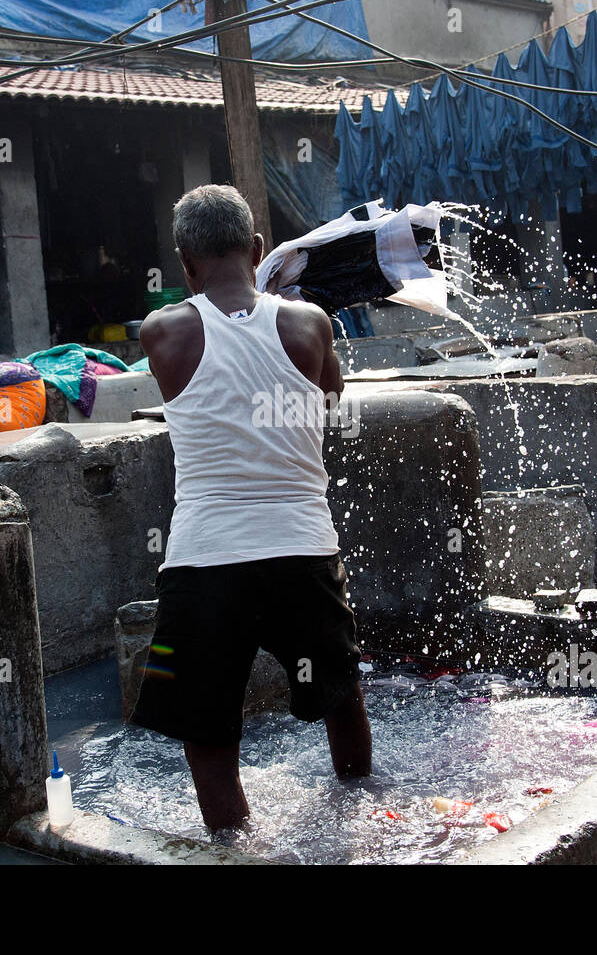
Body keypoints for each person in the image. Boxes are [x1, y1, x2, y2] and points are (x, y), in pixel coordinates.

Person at [130, 184, 372, 830]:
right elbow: (332, 394)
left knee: (209, 740)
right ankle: (360, 831)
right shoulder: (309, 323)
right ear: (259, 248)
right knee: (342, 699)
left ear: (184, 263)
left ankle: (233, 849)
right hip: (304, 551)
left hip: (207, 563)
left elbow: (219, 355)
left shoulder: (165, 332)